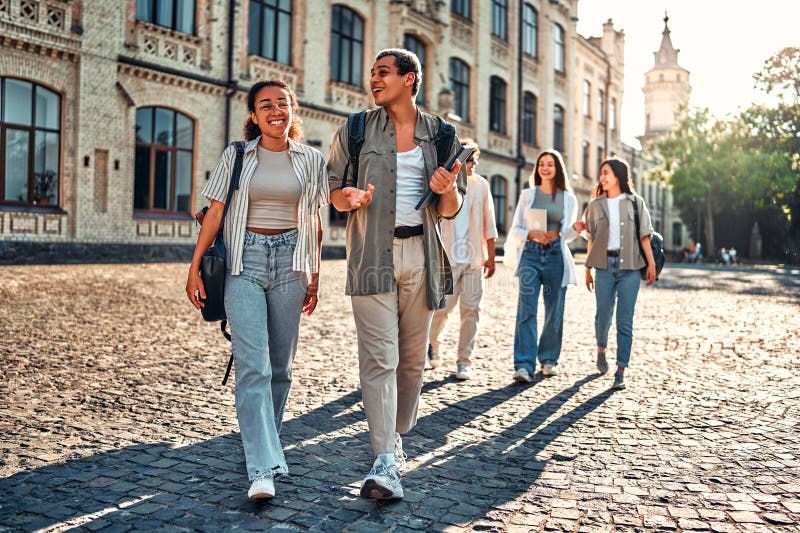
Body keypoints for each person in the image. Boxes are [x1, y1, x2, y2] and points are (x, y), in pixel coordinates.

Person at [327, 48, 466, 500]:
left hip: (422, 254)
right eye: (372, 73)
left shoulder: (442, 134)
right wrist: (346, 198)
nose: (374, 79)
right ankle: (385, 457)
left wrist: (446, 192)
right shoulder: (356, 129)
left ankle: (398, 433)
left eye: (383, 72)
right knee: (379, 359)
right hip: (371, 253)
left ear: (410, 79)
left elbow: (451, 208)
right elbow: (332, 189)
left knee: (410, 362)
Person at [186, 79, 329, 500]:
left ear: (293, 110)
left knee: (281, 367)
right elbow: (214, 213)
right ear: (253, 115)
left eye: (282, 103)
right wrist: (194, 268)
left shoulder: (312, 159)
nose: (275, 110)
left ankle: (264, 440)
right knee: (254, 366)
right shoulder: (236, 155)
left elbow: (315, 221)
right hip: (243, 261)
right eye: (265, 105)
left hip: (291, 263)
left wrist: (315, 275)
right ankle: (262, 466)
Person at [504, 150, 580, 383]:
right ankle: (523, 366)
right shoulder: (528, 195)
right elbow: (515, 229)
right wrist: (532, 233)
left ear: (558, 169)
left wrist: (574, 229)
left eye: (550, 164)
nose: (545, 168)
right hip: (531, 255)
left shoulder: (568, 198)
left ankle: (549, 359)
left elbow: (567, 236)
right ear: (537, 169)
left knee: (554, 311)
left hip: (556, 255)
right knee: (527, 310)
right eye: (541, 164)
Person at [581, 157, 656, 391]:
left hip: (630, 269)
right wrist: (587, 268)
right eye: (601, 173)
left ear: (618, 176)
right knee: (602, 316)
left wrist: (651, 264)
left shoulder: (636, 202)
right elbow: (591, 238)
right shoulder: (595, 205)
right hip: (603, 266)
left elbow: (644, 236)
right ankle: (601, 349)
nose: (601, 177)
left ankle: (621, 369)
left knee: (625, 320)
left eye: (606, 173)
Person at [427, 139, 497, 380]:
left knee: (471, 311)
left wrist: (491, 256)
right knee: (441, 309)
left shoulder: (481, 185)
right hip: (446, 258)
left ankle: (464, 361)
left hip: (474, 259)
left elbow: (489, 221)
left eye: (471, 160)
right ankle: (432, 345)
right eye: (464, 160)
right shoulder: (444, 183)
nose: (469, 165)